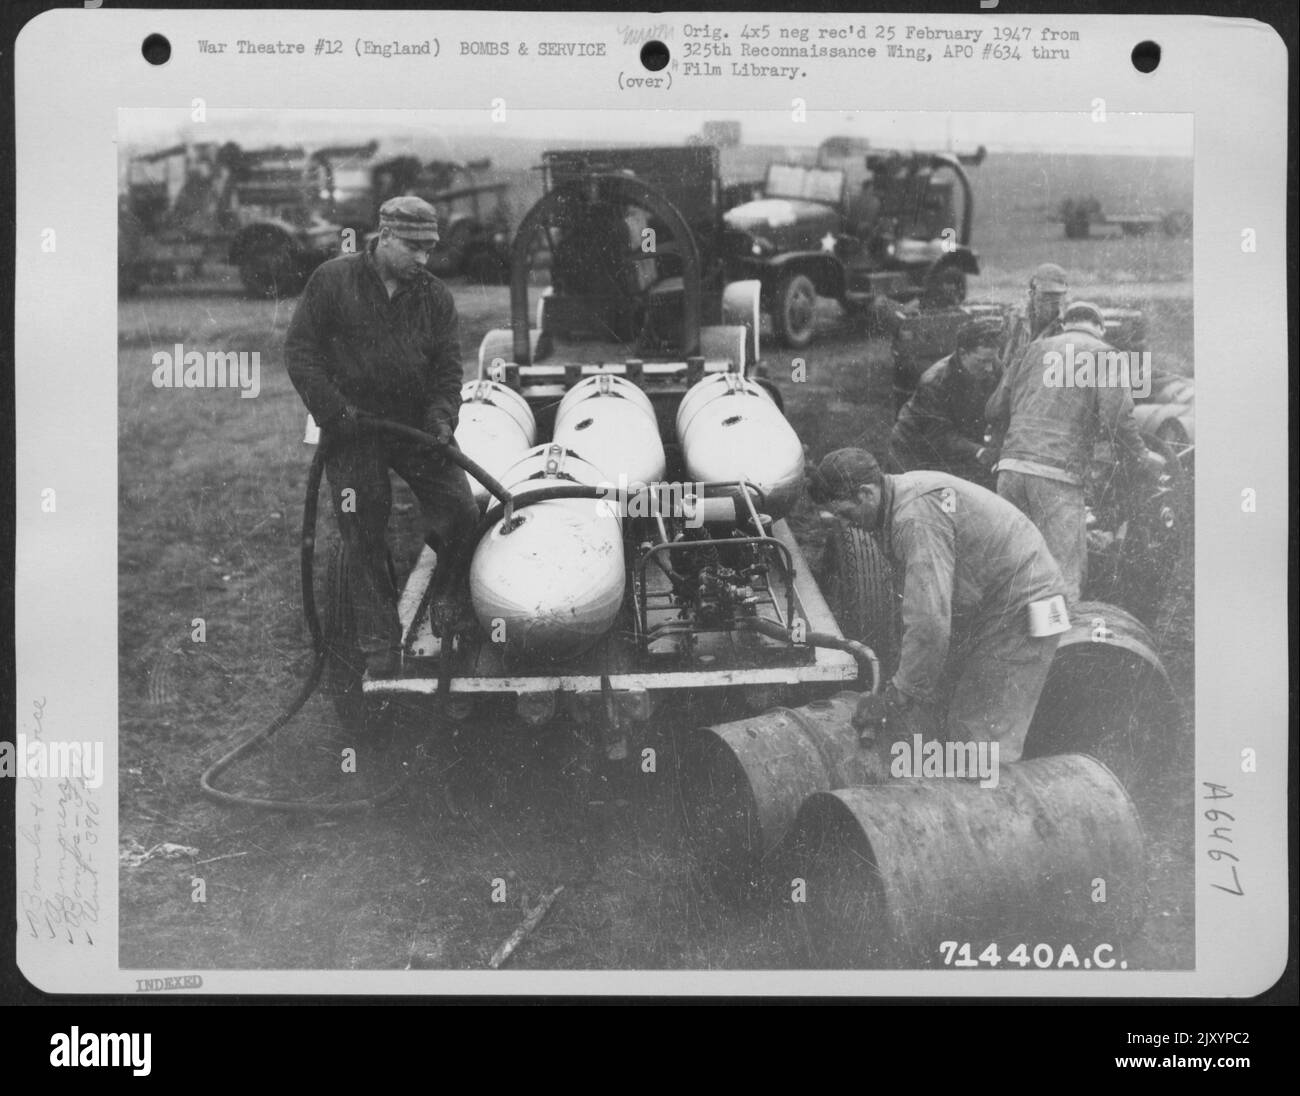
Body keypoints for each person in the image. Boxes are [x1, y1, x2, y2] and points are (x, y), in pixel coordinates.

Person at [285, 195, 477, 676]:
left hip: (413, 425)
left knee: (461, 510)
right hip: (351, 429)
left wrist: (441, 420)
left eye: (430, 249)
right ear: (385, 237)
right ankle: (379, 643)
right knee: (363, 523)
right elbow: (301, 352)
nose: (423, 260)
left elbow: (447, 372)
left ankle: (449, 601)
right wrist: (332, 411)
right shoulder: (333, 280)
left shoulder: (435, 297)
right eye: (414, 248)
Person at [808, 448, 1069, 764]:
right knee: (940, 707)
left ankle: (990, 804)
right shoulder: (900, 497)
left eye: (846, 514)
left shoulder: (914, 518)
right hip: (994, 600)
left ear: (866, 493)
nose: (850, 526)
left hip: (1025, 605)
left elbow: (930, 621)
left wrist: (897, 695)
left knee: (977, 737)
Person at [985, 300, 1162, 605]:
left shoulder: (1032, 350)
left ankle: (1012, 644)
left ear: (1065, 324)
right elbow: (1117, 419)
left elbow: (994, 409)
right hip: (1056, 477)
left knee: (1013, 569)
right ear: (1101, 328)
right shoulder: (1106, 355)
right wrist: (1144, 460)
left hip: (1011, 469)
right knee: (1062, 577)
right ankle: (1060, 649)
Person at [888, 316, 1003, 488]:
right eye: (982, 361)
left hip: (958, 441)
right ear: (963, 354)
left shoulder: (994, 366)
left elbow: (1004, 406)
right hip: (915, 448)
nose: (990, 369)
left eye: (992, 360)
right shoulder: (934, 382)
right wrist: (979, 451)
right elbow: (939, 436)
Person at [999, 261, 1069, 372]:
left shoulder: (1068, 323)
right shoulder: (1014, 317)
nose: (1049, 304)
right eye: (1045, 297)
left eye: (1055, 297)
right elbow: (1002, 355)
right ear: (1032, 293)